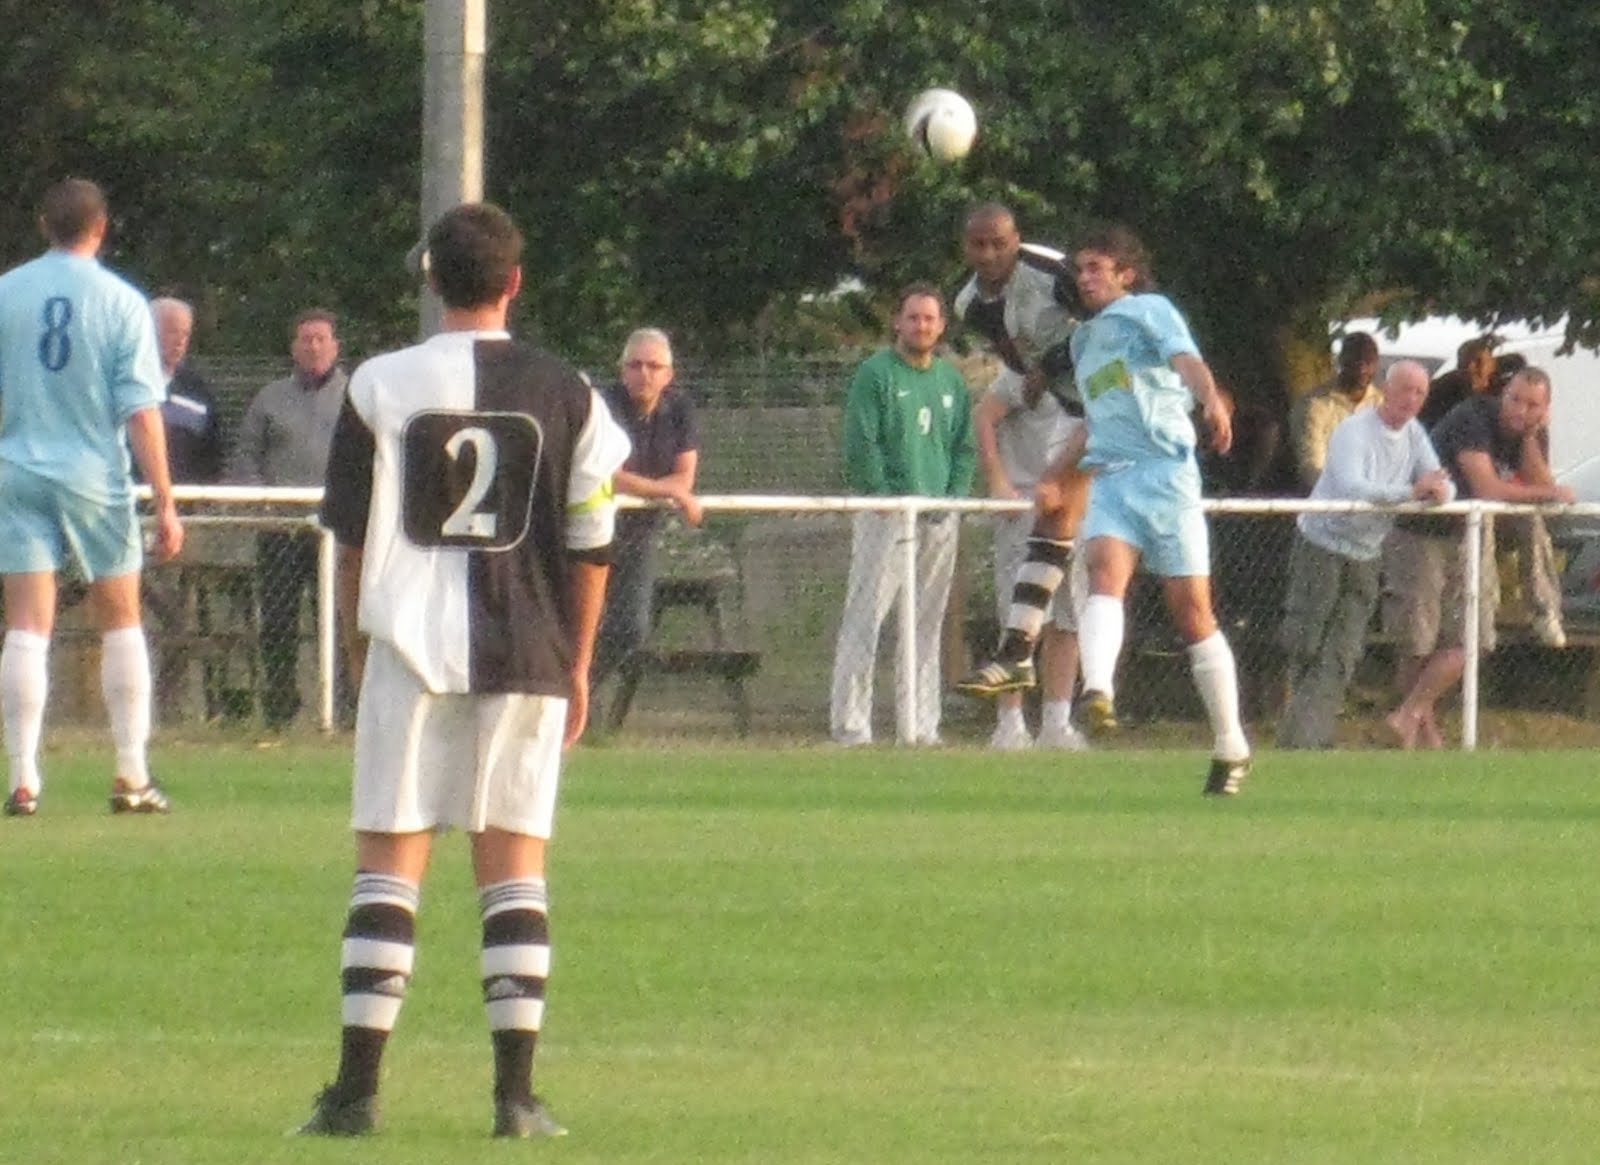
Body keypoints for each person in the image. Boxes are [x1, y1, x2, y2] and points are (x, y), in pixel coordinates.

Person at [301, 201, 630, 1138]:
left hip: (408, 652)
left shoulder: (377, 384)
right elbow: (591, 542)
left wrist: (363, 647)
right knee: (514, 873)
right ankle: (515, 1100)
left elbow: (356, 539)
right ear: (514, 283)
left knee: (388, 869)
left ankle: (356, 1095)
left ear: (430, 278)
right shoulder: (571, 390)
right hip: (529, 654)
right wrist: (579, 662)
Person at [960, 224, 1251, 795]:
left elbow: (1187, 361)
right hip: (1114, 476)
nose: (1085, 278)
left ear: (1127, 274)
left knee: (1193, 613)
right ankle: (1099, 691)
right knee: (1102, 574)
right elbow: (1091, 417)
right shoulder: (1084, 342)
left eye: (1097, 268)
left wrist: (1210, 399)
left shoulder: (1150, 311)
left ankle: (1231, 743)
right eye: (1081, 269)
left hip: (1166, 476)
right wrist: (1051, 468)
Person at [0, 178, 184, 817]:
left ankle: (24, 779)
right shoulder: (121, 301)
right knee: (121, 616)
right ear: (101, 228)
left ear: (41, 224)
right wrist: (164, 498)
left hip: (16, 470)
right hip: (92, 477)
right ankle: (130, 773)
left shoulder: (7, 293)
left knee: (26, 625)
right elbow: (140, 409)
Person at [953, 204, 1086, 750]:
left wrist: (1047, 371)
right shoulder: (971, 306)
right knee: (1021, 608)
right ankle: (1010, 724)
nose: (989, 255)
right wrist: (1000, 483)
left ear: (1017, 240)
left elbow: (1098, 317)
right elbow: (999, 393)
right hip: (1030, 498)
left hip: (1075, 493)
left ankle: (1058, 720)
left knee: (1070, 610)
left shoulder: (1055, 274)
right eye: (978, 245)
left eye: (999, 243)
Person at [1384, 367, 1574, 748]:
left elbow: (1541, 483)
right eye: (1515, 399)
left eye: (1533, 404)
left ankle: (1408, 715)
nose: (1520, 410)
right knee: (1418, 641)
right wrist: (1548, 494)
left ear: (1546, 408)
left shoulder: (1530, 435)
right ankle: (1420, 734)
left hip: (1469, 538)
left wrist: (1533, 437)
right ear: (1503, 394)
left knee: (1475, 639)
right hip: (1422, 533)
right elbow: (1488, 488)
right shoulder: (1473, 416)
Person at [1277, 361, 1453, 749]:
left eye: (1420, 393)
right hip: (1321, 545)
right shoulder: (1353, 431)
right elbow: (1352, 486)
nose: (1411, 399)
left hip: (1366, 554)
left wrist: (1440, 492)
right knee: (1307, 642)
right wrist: (1411, 492)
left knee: (1342, 650)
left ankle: (1309, 741)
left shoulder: (1415, 435)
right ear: (1385, 389)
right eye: (1405, 389)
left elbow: (1440, 481)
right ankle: (1298, 737)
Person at [830, 283, 976, 746]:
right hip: (886, 515)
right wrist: (887, 497)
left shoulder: (951, 381)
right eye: (913, 317)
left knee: (927, 622)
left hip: (937, 518)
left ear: (942, 325)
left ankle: (920, 725)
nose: (921, 326)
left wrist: (950, 500)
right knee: (866, 617)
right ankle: (852, 726)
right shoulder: (876, 374)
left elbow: (963, 448)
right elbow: (861, 444)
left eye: (930, 318)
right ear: (898, 321)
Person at [228, 308, 348, 728]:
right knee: (277, 623)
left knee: (338, 620)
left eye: (321, 338)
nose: (314, 346)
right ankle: (279, 710)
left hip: (335, 529)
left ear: (335, 346)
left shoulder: (354, 398)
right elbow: (246, 456)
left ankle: (345, 710)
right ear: (293, 347)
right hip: (280, 529)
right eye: (306, 339)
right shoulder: (270, 399)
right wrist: (261, 500)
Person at [590, 327, 703, 693]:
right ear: (622, 370)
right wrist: (665, 490)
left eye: (654, 366)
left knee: (630, 627)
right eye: (635, 365)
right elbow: (607, 475)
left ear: (668, 374)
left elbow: (684, 475)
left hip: (639, 532)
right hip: (591, 528)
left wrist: (672, 490)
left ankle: (579, 698)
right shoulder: (601, 406)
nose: (644, 373)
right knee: (577, 621)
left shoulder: (679, 409)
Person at [142, 296, 227, 720]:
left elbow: (216, 453)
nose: (177, 342)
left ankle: (167, 711)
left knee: (178, 620)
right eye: (169, 332)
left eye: (183, 334)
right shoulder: (125, 379)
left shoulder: (199, 390)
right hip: (126, 516)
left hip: (181, 524)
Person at [1288, 331, 1381, 493]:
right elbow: (1311, 466)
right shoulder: (1315, 405)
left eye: (1369, 362)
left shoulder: (1383, 405)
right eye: (1356, 362)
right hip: (1324, 501)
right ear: (1341, 361)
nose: (1362, 370)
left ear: (1377, 364)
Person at [1418, 334, 1497, 430]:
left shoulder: (1456, 382)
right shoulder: (1455, 386)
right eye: (1489, 359)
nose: (1493, 363)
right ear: (1473, 365)